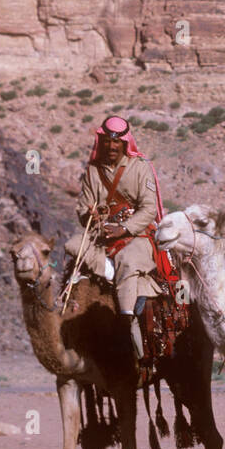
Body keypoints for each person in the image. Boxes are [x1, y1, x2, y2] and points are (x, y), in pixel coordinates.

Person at [64, 115, 162, 356]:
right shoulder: (93, 170)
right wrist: (90, 215)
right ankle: (107, 275)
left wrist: (124, 228)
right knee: (72, 245)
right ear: (102, 141)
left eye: (116, 142)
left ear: (125, 143)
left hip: (137, 235)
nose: (111, 146)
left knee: (127, 260)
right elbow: (83, 207)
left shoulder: (140, 168)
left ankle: (128, 321)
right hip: (102, 234)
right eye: (107, 141)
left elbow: (149, 209)